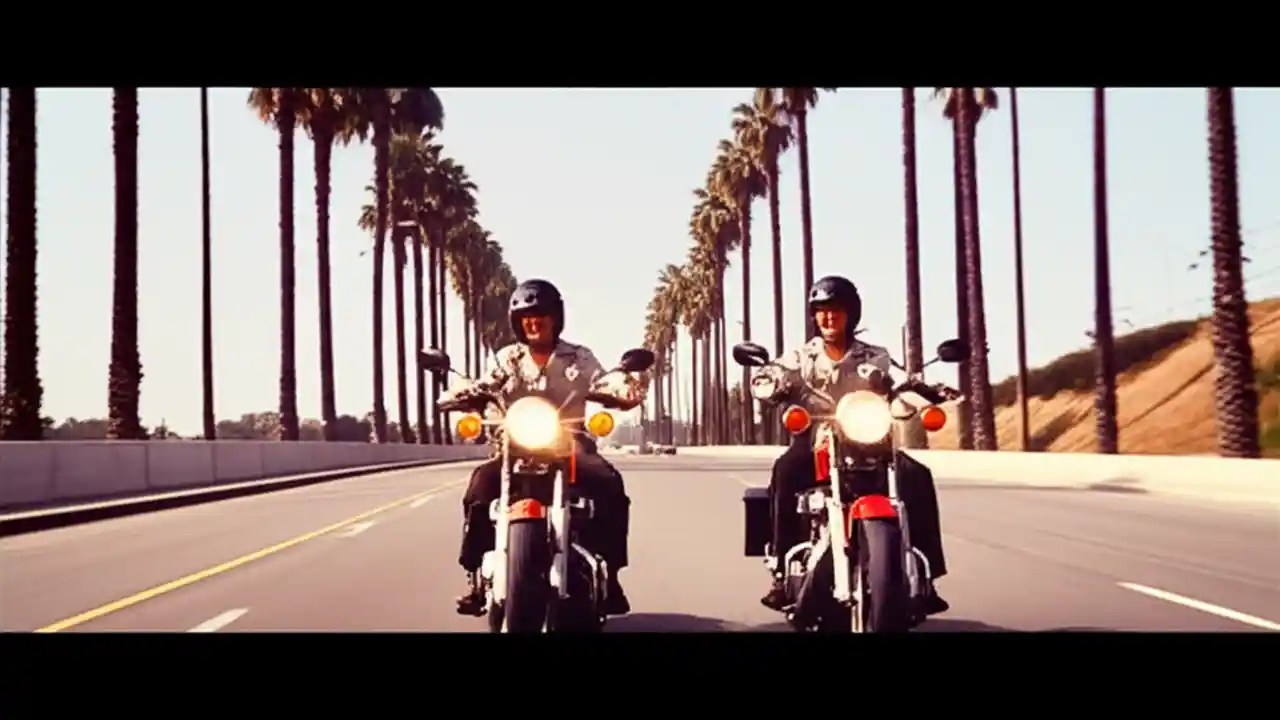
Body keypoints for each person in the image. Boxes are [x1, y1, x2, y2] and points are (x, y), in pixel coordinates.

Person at [753, 275, 951, 617]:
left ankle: (928, 575)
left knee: (916, 475)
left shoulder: (876, 356)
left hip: (870, 440)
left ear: (851, 314)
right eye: (821, 311)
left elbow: (902, 382)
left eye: (836, 310)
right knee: (785, 470)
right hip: (817, 440)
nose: (829, 317)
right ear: (814, 316)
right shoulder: (802, 356)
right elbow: (772, 375)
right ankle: (782, 573)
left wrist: (927, 390)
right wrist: (770, 382)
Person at [448, 278, 642, 617]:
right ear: (518, 323)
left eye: (540, 315)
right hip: (514, 448)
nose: (533, 322)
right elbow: (484, 384)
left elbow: (601, 381)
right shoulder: (508, 359)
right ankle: (475, 577)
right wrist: (459, 393)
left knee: (610, 485)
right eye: (526, 318)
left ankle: (612, 574)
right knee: (480, 487)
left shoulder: (579, 357)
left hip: (570, 447)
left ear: (555, 318)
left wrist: (623, 387)